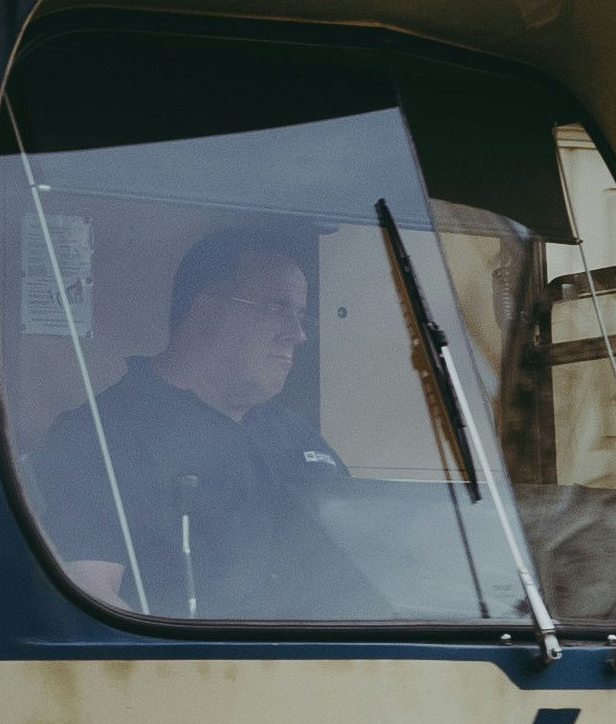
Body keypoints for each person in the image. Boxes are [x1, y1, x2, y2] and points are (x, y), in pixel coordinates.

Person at [35, 225, 375, 618]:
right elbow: (89, 596)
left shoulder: (299, 440)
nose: (297, 334)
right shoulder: (97, 438)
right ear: (207, 312)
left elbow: (368, 567)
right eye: (275, 309)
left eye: (300, 315)